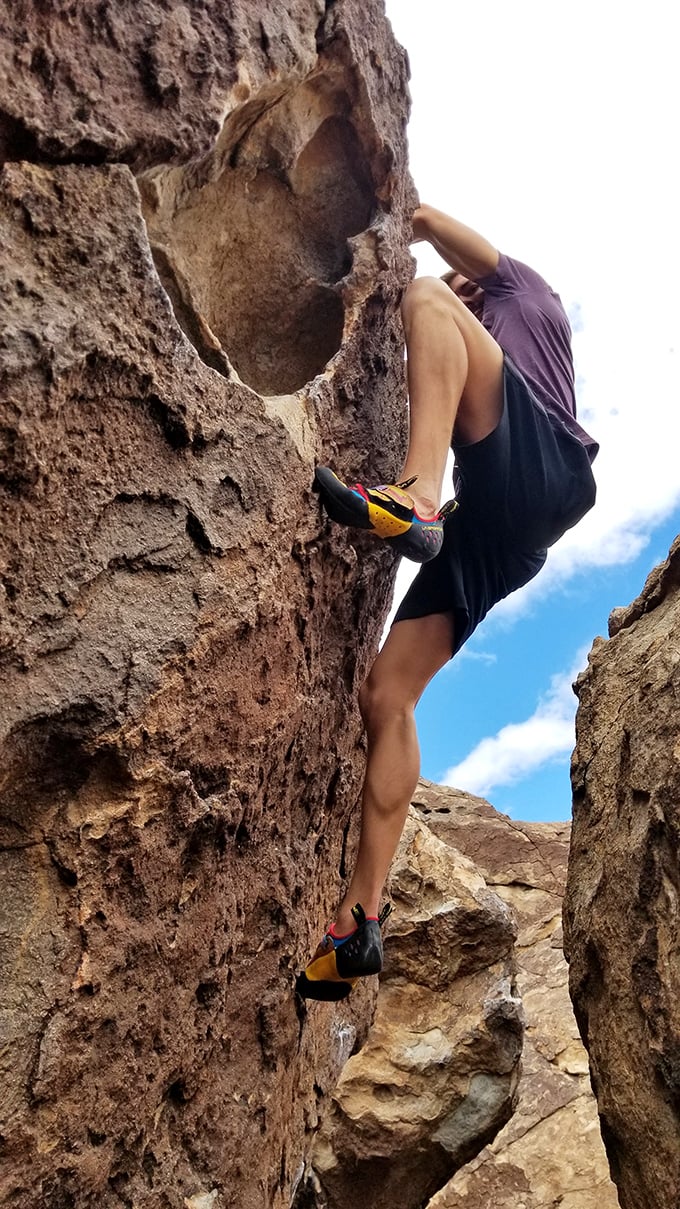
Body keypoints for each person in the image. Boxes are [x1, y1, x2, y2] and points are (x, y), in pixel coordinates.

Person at [295, 204, 598, 1001]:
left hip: (549, 470)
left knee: (422, 299)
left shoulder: (521, 290)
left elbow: (422, 219)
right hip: (504, 529)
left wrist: (381, 221)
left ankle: (418, 497)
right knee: (387, 694)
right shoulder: (475, 373)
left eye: (479, 291)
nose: (469, 299)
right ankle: (358, 921)